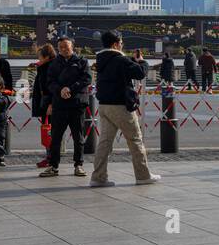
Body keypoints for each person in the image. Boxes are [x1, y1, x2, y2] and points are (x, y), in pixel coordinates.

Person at [89, 31, 160, 188]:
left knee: (105, 142)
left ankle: (98, 177)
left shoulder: (101, 59)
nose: (122, 45)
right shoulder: (119, 59)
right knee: (135, 140)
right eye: (120, 42)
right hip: (120, 106)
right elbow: (140, 73)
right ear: (115, 44)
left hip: (104, 105)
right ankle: (143, 175)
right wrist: (142, 62)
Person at [41, 37, 90, 177]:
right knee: (56, 137)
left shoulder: (82, 61)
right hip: (59, 105)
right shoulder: (54, 63)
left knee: (78, 137)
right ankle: (53, 165)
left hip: (77, 104)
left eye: (66, 46)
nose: (63, 49)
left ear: (72, 47)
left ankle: (78, 165)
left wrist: (71, 89)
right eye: (60, 47)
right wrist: (60, 89)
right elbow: (49, 82)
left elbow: (86, 79)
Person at [30, 43, 56, 169]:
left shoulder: (48, 68)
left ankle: (51, 158)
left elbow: (50, 88)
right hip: (45, 103)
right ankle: (50, 157)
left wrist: (50, 104)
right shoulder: (45, 66)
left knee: (49, 131)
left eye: (40, 56)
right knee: (49, 131)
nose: (38, 59)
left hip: (48, 105)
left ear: (46, 57)